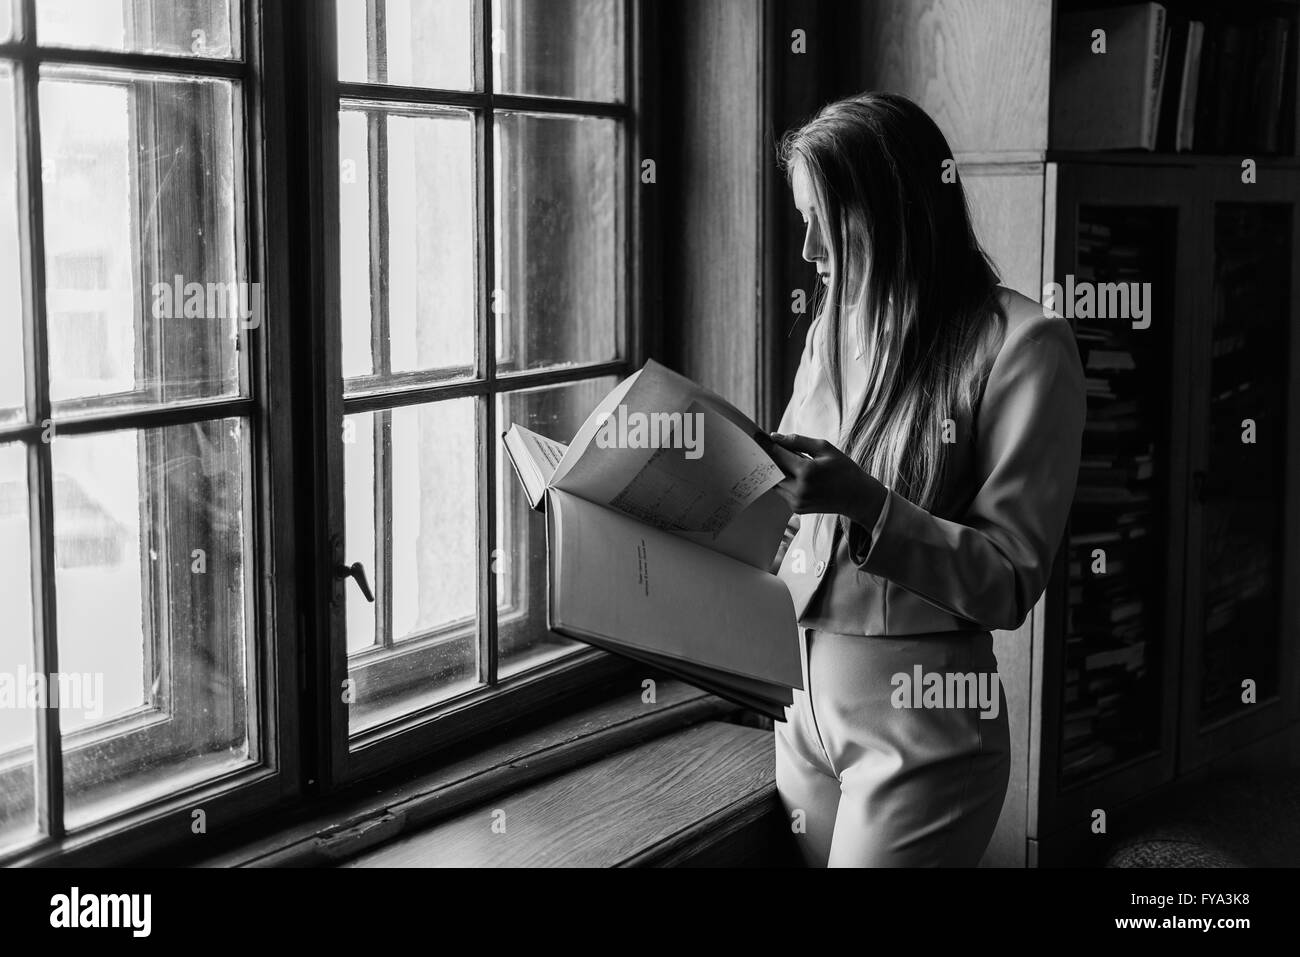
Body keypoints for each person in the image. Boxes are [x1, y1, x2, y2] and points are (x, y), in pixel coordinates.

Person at [765, 91, 1085, 867]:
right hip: (796, 713)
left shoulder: (1026, 347)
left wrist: (870, 506)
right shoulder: (830, 330)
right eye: (801, 216)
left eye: (823, 218)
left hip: (922, 732)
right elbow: (797, 512)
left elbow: (1009, 579)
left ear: (892, 208)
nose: (808, 250)